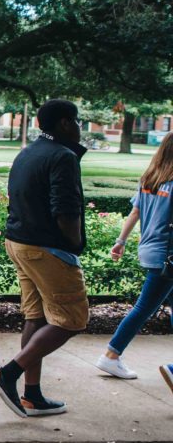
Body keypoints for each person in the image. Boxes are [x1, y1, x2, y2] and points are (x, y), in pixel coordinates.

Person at [0, 99, 88, 418]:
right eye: (75, 121)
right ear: (62, 124)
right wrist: (76, 243)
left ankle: (32, 395)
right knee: (73, 319)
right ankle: (9, 374)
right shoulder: (62, 156)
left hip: (18, 243)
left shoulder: (28, 152)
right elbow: (65, 210)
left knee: (37, 318)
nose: (79, 126)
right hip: (47, 249)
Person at [96, 133, 173, 380]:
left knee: (150, 307)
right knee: (143, 308)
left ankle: (112, 355)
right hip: (167, 255)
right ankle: (111, 355)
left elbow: (135, 212)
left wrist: (120, 241)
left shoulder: (150, 179)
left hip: (151, 250)